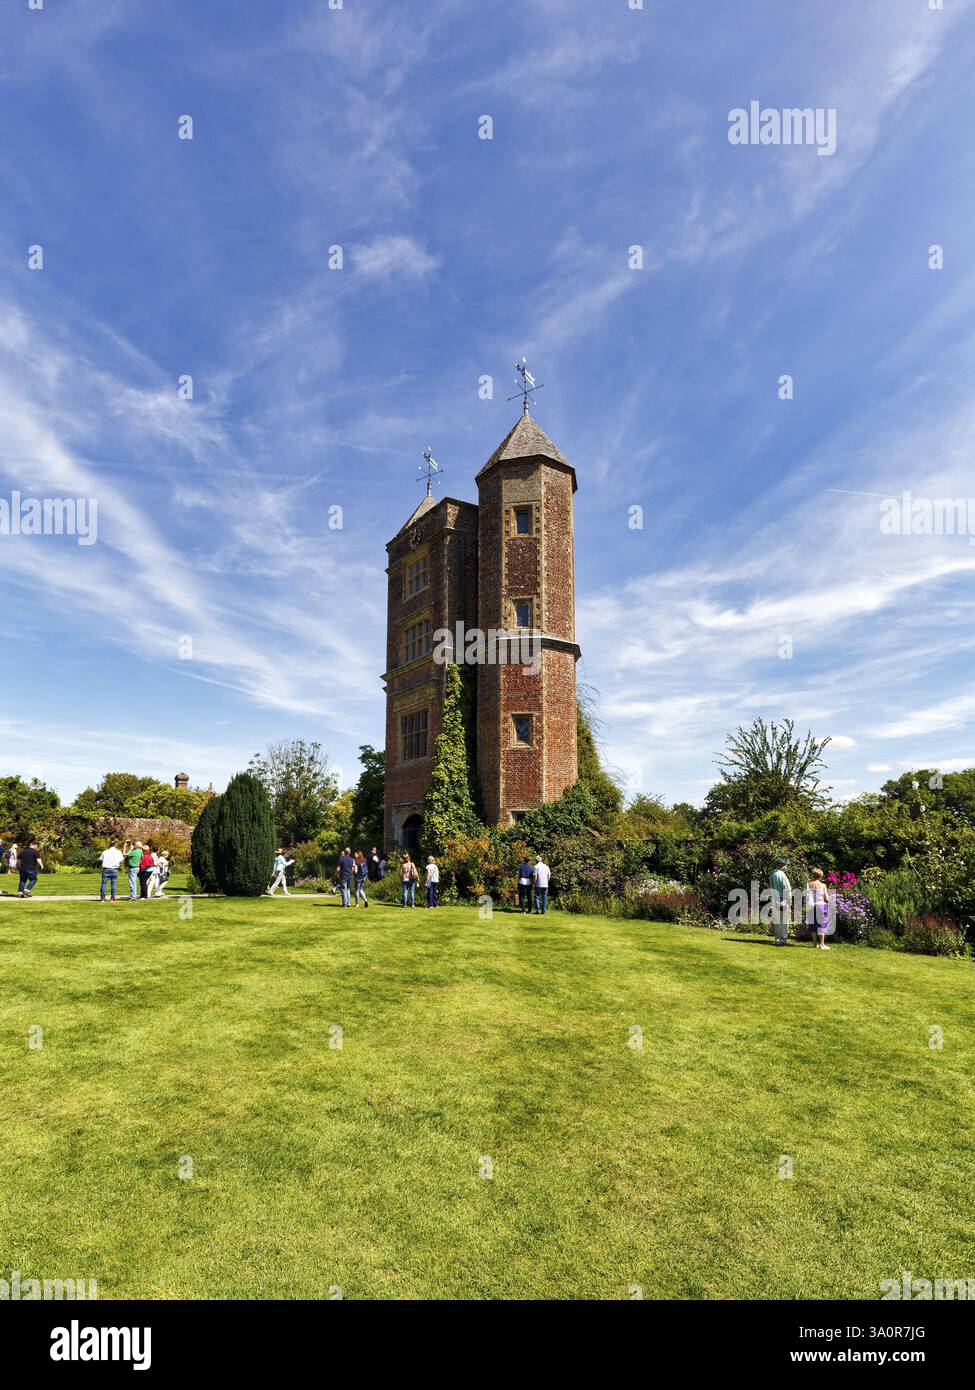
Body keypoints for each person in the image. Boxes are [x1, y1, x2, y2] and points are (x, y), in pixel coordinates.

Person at [805, 867, 832, 950]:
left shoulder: (808, 884)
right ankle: (822, 944)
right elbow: (826, 898)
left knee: (813, 925)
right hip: (821, 905)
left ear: (813, 875)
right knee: (822, 925)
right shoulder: (823, 885)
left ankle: (814, 944)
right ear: (821, 876)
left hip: (811, 905)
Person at [770, 857, 792, 945]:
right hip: (783, 900)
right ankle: (782, 940)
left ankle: (777, 939)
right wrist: (790, 903)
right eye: (786, 865)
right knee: (784, 921)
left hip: (775, 899)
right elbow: (787, 890)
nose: (787, 867)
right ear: (783, 866)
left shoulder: (772, 875)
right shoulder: (782, 875)